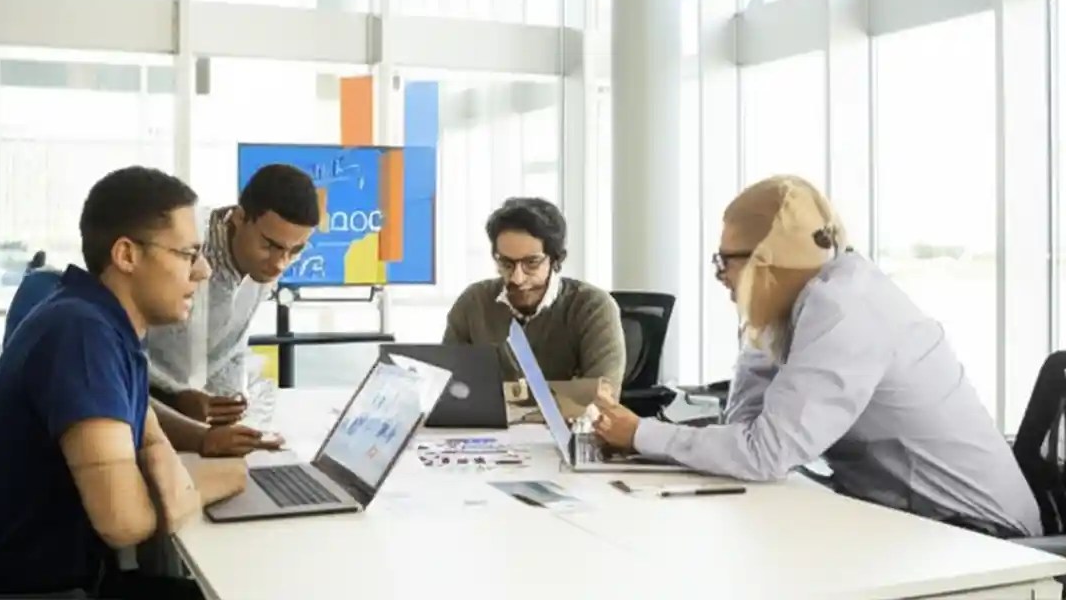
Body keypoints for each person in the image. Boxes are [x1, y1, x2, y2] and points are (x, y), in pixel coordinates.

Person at [592, 175, 1042, 538]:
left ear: (767, 260)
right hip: (905, 523)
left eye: (726, 261)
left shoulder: (846, 309)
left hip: (979, 537)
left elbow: (764, 453)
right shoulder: (798, 308)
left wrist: (640, 434)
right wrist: (759, 325)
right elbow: (745, 428)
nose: (721, 276)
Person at [0, 166, 248, 598]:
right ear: (126, 255)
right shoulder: (82, 335)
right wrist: (232, 477)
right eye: (188, 254)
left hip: (68, 581)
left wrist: (182, 473)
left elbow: (152, 443)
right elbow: (124, 522)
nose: (204, 271)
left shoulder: (102, 321)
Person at [146, 163, 320, 457]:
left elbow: (230, 346)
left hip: (195, 431)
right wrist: (173, 398)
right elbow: (118, 350)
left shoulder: (261, 266)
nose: (280, 264)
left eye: (295, 251)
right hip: (143, 418)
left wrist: (235, 419)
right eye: (270, 245)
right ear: (239, 218)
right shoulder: (183, 244)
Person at [443, 197, 625, 389]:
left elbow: (602, 397)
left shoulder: (592, 307)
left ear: (556, 260)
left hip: (562, 415)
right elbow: (446, 387)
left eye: (531, 263)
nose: (517, 278)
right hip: (489, 411)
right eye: (506, 263)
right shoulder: (474, 302)